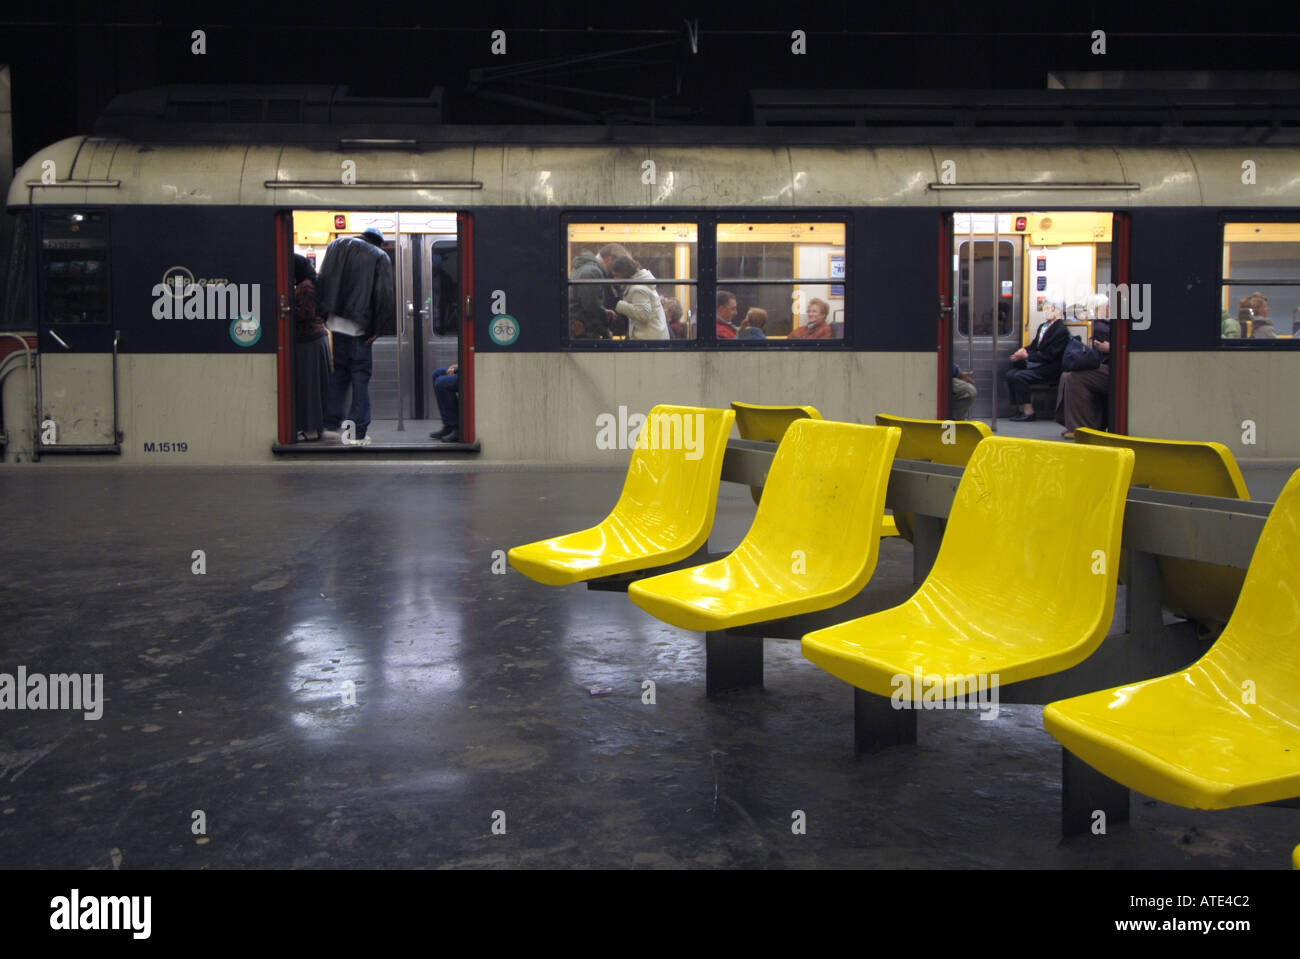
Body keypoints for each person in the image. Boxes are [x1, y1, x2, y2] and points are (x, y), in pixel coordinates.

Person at [316, 226, 396, 446]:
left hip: (335, 323)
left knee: (339, 375)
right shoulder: (379, 256)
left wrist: (323, 314)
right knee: (360, 378)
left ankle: (331, 425)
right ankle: (357, 432)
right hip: (359, 327)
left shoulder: (335, 245)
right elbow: (384, 296)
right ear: (378, 242)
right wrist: (377, 329)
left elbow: (321, 280)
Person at [1056, 293, 1112, 438]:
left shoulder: (1103, 325)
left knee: (1075, 378)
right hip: (1104, 365)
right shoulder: (1102, 324)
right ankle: (1076, 425)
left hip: (1113, 368)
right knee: (1067, 376)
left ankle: (1081, 427)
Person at [1004, 297, 1069, 422]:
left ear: (1058, 311)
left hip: (1051, 368)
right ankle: (1020, 408)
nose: (1046, 311)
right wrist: (1022, 351)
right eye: (1045, 308)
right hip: (1040, 364)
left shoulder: (1061, 331)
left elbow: (1050, 355)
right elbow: (1034, 346)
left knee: (1020, 376)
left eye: (1049, 308)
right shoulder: (1043, 327)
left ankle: (1029, 411)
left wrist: (1027, 356)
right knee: (1010, 374)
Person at [293, 254, 331, 441]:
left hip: (309, 341)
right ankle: (316, 427)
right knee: (315, 387)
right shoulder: (311, 283)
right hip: (316, 340)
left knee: (309, 387)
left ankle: (310, 430)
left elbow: (304, 314)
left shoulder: (305, 287)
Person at [609, 255, 670, 340]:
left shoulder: (638, 289)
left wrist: (619, 305)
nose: (615, 279)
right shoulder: (642, 283)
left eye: (617, 276)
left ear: (625, 273)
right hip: (654, 335)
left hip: (648, 339)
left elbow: (643, 315)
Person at [430, 364, 460, 442]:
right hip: (465, 369)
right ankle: (449, 424)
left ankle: (456, 426)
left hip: (471, 373)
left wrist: (456, 370)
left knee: (441, 383)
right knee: (436, 373)